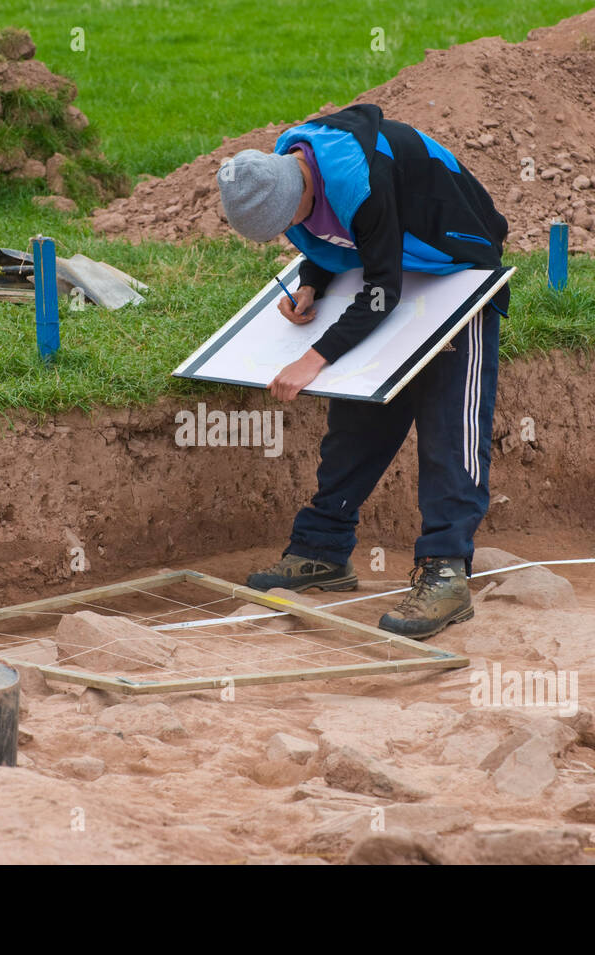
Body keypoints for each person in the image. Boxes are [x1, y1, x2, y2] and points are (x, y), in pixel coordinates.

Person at [216, 103, 509, 638]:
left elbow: (382, 289)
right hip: (391, 264)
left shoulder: (361, 179)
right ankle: (323, 549)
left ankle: (446, 572)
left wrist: (312, 358)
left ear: (299, 192)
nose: (291, 228)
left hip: (456, 270)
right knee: (356, 422)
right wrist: (313, 283)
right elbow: (333, 242)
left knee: (450, 429)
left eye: (289, 219)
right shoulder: (288, 168)